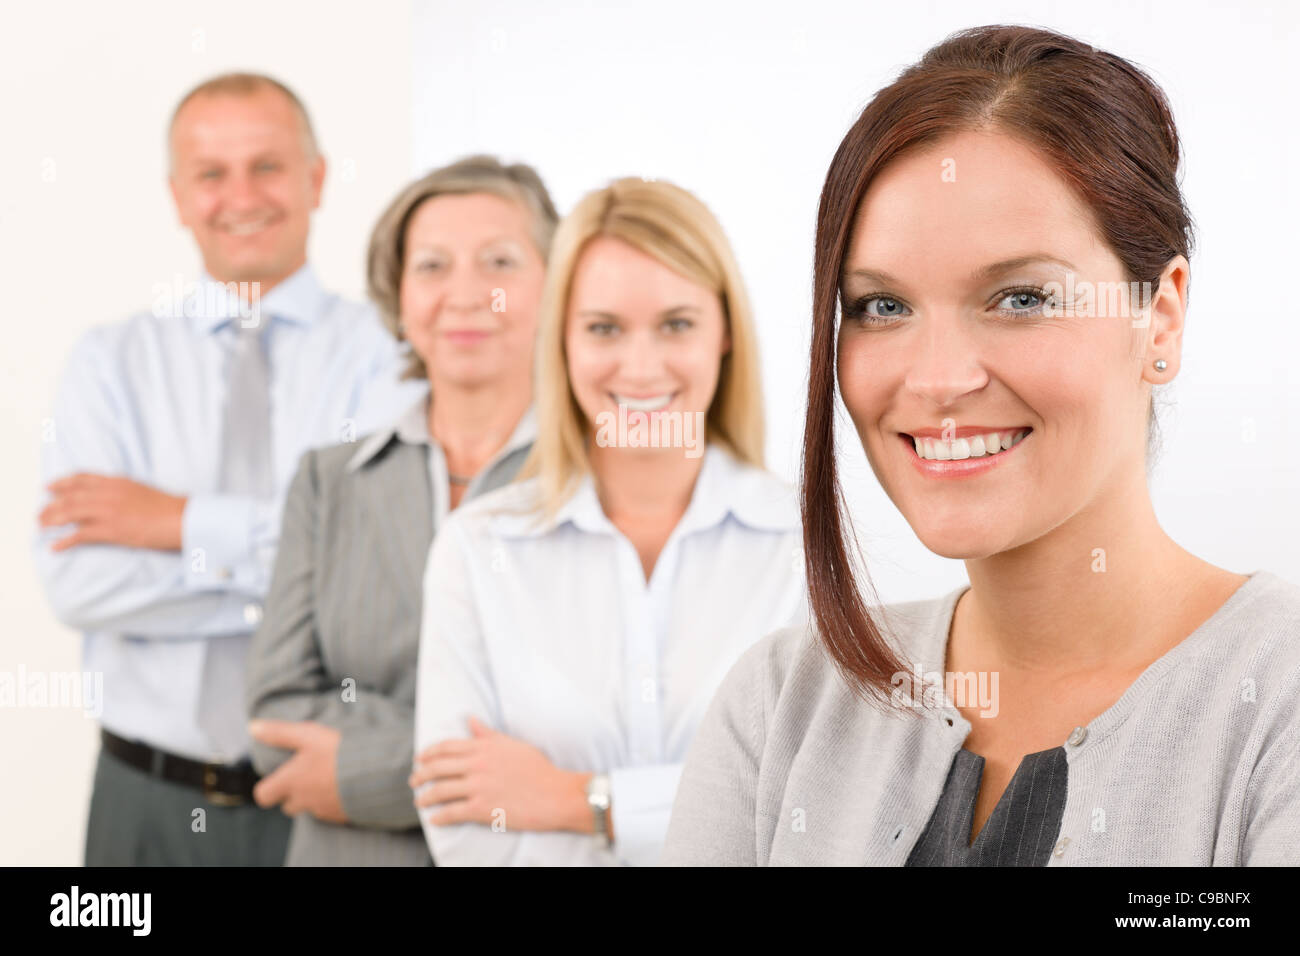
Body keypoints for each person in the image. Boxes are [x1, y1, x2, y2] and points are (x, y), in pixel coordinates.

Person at [662, 24, 1300, 866]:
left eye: (1022, 297)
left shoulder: (1276, 701)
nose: (938, 380)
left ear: (1161, 318)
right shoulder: (783, 703)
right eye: (882, 306)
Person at [33, 72, 421, 866]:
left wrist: (175, 524)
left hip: (326, 801)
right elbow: (76, 584)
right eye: (212, 173)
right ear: (179, 197)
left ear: (316, 179)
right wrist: (294, 577)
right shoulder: (110, 363)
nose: (241, 196)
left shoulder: (392, 356)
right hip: (142, 802)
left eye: (267, 166)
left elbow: (380, 573)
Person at [409, 177, 806, 865]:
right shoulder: (476, 549)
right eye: (603, 329)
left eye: (676, 324)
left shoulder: (809, 544)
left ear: (725, 334)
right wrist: (706, 805)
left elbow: (814, 807)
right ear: (561, 341)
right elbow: (464, 826)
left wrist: (582, 801)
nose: (641, 367)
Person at [244, 156, 556, 865]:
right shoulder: (330, 482)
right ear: (400, 294)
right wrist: (500, 774)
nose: (465, 294)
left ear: (556, 283)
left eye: (499, 262)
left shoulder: (601, 485)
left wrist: (356, 771)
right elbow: (275, 722)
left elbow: (597, 741)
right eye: (433, 266)